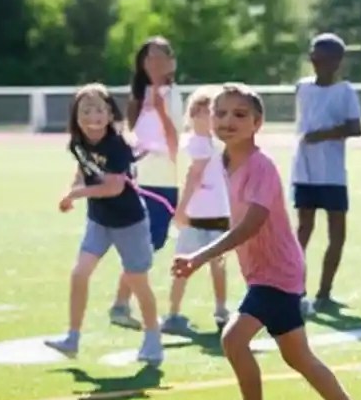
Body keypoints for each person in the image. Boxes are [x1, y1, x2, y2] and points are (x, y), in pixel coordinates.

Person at [172, 83, 361, 400]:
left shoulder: (260, 166)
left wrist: (200, 256)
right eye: (220, 113)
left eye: (239, 114)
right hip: (268, 272)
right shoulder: (225, 161)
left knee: (233, 339)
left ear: (257, 123)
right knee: (297, 355)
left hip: (276, 274)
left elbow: (251, 224)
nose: (228, 121)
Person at [45, 83, 163, 363]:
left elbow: (113, 188)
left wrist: (77, 194)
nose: (93, 116)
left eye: (99, 110)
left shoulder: (116, 146)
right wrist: (71, 190)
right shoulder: (77, 143)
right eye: (85, 110)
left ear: (110, 114)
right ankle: (72, 338)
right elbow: (83, 170)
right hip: (99, 221)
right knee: (79, 274)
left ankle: (153, 339)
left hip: (129, 223)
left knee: (137, 281)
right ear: (75, 116)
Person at [110, 36, 180, 329]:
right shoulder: (139, 97)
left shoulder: (172, 95)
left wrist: (161, 109)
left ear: (171, 62)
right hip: (144, 179)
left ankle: (122, 304)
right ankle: (121, 304)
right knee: (146, 244)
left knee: (150, 243)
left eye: (162, 56)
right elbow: (132, 136)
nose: (156, 62)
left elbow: (175, 139)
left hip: (167, 178)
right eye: (150, 57)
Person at [291, 33, 361, 315]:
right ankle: (295, 289)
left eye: (322, 57)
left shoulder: (345, 91)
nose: (316, 61)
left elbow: (355, 128)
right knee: (303, 230)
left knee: (337, 233)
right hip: (305, 170)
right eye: (313, 55)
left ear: (337, 61)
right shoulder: (302, 88)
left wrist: (322, 135)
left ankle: (324, 292)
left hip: (332, 173)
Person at [161, 85, 230, 335]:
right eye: (198, 112)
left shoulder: (216, 144)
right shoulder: (197, 144)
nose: (204, 117)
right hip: (196, 215)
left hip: (217, 213)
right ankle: (175, 313)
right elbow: (193, 175)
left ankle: (220, 310)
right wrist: (182, 209)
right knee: (185, 265)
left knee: (216, 266)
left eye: (209, 112)